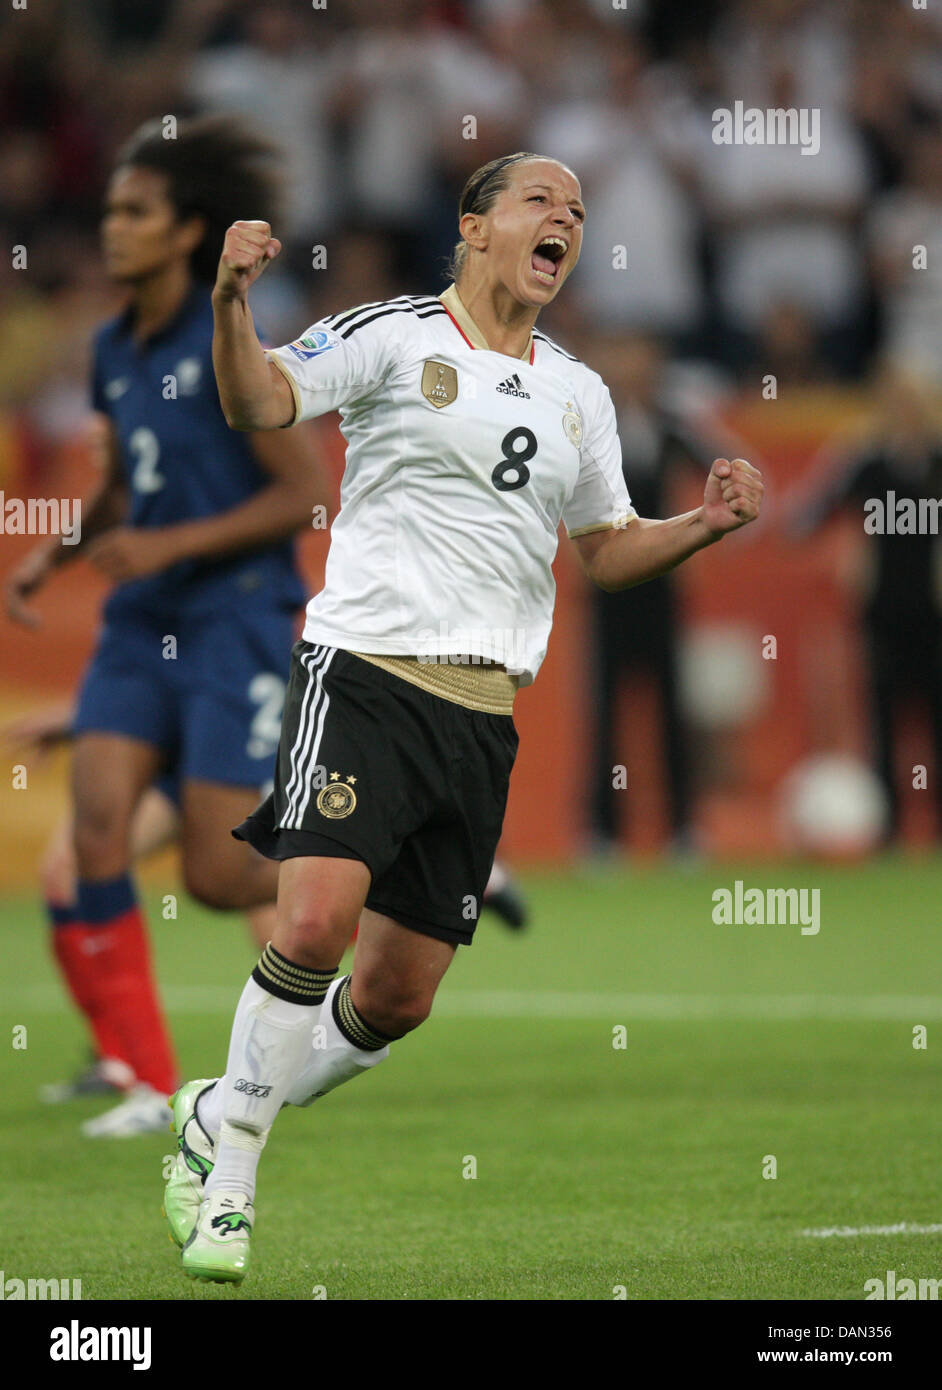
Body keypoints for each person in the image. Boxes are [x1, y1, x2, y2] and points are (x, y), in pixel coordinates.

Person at [165, 152, 763, 1284]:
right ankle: (231, 1184)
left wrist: (702, 524)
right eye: (542, 201)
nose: (566, 221)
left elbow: (602, 547)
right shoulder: (394, 333)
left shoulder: (577, 391)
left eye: (580, 211)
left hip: (484, 712)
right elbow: (259, 400)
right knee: (309, 925)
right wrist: (231, 302)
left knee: (397, 997)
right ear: (476, 226)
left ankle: (215, 1108)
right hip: (365, 673)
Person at [3, 116, 322, 1137]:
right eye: (110, 210)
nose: (113, 228)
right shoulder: (110, 347)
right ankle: (147, 1081)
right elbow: (123, 484)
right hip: (142, 621)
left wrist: (170, 546)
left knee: (220, 873)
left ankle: (379, 859)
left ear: (188, 232)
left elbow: (300, 495)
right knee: (91, 822)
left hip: (235, 616)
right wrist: (59, 549)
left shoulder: (225, 344)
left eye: (135, 212)